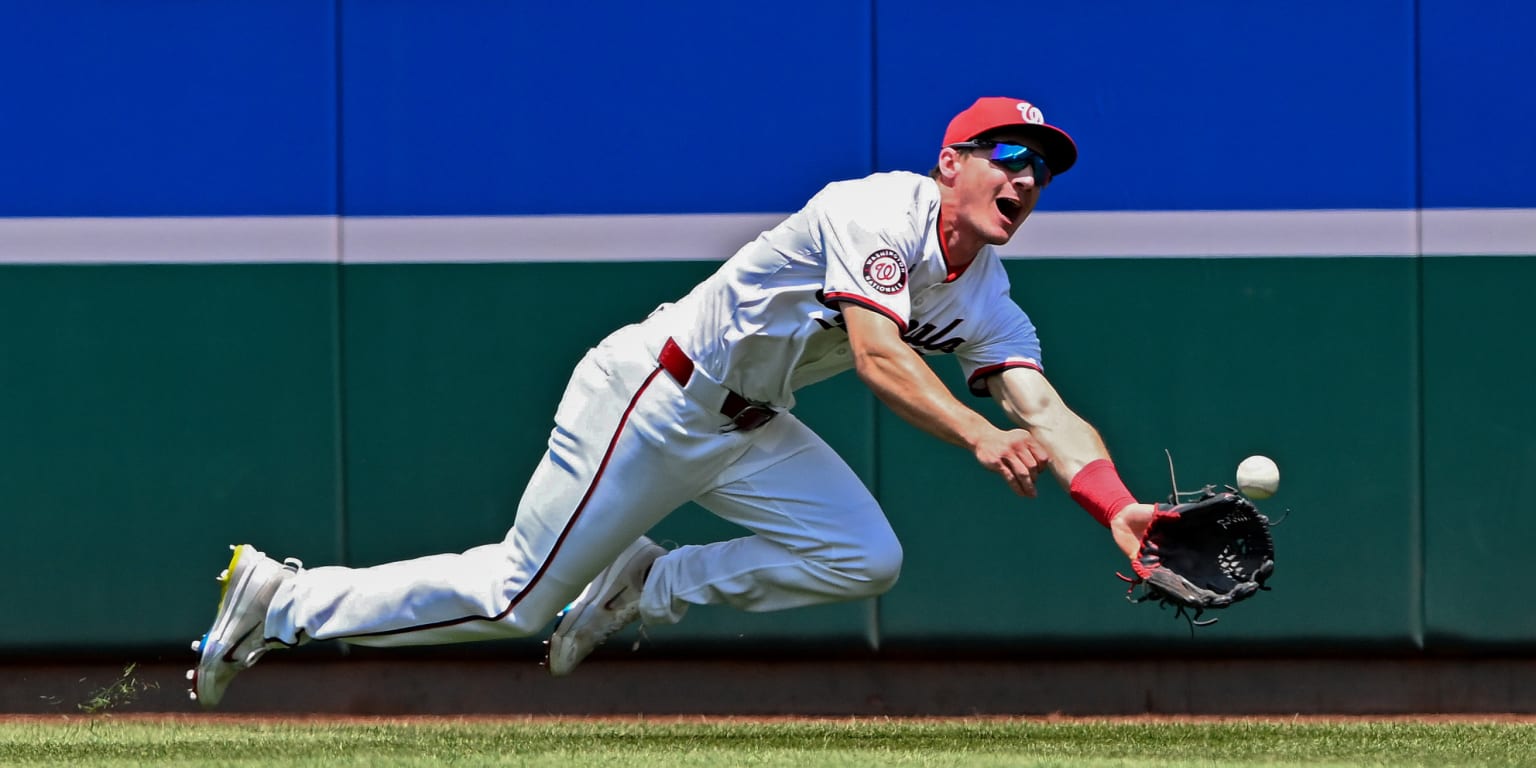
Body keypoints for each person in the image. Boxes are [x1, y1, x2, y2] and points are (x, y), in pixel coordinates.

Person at [188, 96, 1157, 708]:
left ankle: (645, 585)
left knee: (865, 558)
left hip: (748, 425)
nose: (1026, 179)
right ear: (952, 162)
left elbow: (1048, 411)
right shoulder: (877, 212)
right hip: (656, 393)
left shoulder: (987, 296)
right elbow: (877, 357)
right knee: (517, 598)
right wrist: (979, 437)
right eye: (1007, 156)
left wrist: (1120, 510)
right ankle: (284, 602)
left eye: (1043, 168)